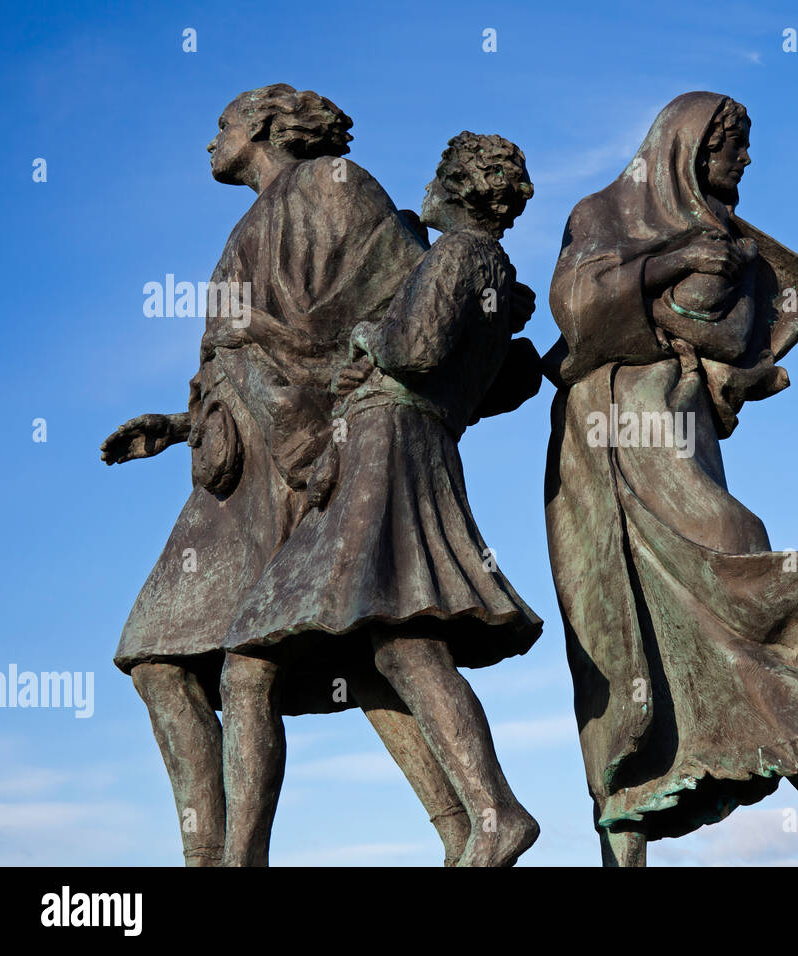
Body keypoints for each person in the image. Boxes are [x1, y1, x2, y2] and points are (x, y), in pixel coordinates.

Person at [103, 85, 485, 866]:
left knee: (332, 649)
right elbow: (235, 360)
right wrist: (178, 425)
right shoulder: (251, 220)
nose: (211, 141)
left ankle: (456, 827)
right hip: (230, 466)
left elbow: (411, 301)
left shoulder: (335, 184)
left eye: (221, 124)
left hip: (305, 453)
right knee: (158, 660)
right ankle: (206, 854)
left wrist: (283, 355)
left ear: (266, 126)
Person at [543, 91, 798, 866]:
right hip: (609, 439)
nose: (744, 161)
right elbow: (577, 309)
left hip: (676, 428)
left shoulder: (718, 229)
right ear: (685, 148)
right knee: (620, 642)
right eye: (731, 146)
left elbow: (750, 311)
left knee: (740, 617)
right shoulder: (603, 213)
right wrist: (673, 261)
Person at [221, 132, 544, 868]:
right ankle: (484, 819)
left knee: (253, 655)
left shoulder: (460, 254)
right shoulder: (491, 269)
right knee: (393, 647)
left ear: (459, 186)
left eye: (437, 174)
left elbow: (414, 350)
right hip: (409, 442)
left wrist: (365, 332)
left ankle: (494, 814)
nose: (424, 189)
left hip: (385, 446)